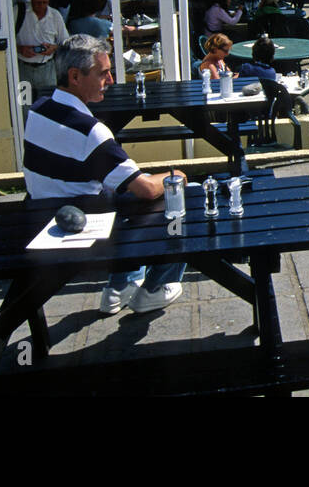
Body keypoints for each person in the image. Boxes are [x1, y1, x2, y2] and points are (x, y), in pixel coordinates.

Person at [22, 35, 186, 314]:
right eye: (103, 73)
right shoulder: (90, 131)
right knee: (177, 195)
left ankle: (119, 287)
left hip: (41, 213)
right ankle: (153, 290)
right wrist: (178, 174)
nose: (110, 80)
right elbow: (145, 189)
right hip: (84, 225)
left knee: (124, 186)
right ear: (75, 76)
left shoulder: (38, 110)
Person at [17, 0, 69, 100]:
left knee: (48, 106)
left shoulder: (55, 15)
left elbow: (65, 43)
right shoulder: (19, 12)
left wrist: (53, 48)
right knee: (23, 105)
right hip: (23, 69)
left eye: (45, 2)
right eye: (38, 3)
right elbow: (7, 41)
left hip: (47, 69)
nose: (41, 6)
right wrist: (20, 49)